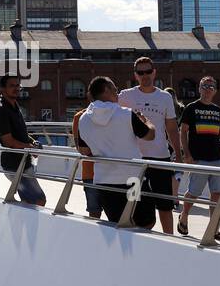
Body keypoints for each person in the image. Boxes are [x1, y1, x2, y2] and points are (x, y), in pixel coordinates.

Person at [76, 77, 156, 225]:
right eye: (115, 89)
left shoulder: (83, 119)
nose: (117, 93)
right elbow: (150, 136)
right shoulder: (127, 114)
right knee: (145, 222)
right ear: (106, 90)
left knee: (117, 223)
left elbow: (84, 150)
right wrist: (147, 121)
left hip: (104, 181)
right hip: (132, 179)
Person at [118, 57, 180, 234]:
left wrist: (180, 154)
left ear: (154, 72)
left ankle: (170, 241)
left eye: (147, 71)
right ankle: (133, 237)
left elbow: (172, 128)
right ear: (135, 75)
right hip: (134, 160)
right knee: (133, 200)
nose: (144, 75)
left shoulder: (165, 97)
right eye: (140, 72)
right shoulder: (125, 96)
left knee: (165, 204)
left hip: (161, 158)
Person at [177, 76, 220, 238]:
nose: (208, 89)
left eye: (211, 86)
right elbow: (183, 132)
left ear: (215, 91)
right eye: (204, 86)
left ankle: (214, 228)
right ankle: (184, 217)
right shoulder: (191, 108)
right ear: (199, 89)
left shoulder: (218, 111)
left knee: (217, 194)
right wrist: (187, 154)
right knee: (194, 192)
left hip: (217, 159)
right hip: (199, 158)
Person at [0, 75, 46, 205]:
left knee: (28, 201)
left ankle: (17, 222)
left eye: (18, 85)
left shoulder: (15, 105)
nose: (16, 88)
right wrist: (29, 147)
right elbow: (8, 141)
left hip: (24, 163)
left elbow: (21, 134)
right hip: (13, 166)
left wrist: (32, 142)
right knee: (39, 200)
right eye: (12, 86)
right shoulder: (1, 110)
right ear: (2, 89)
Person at [72, 104, 100, 218]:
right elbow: (81, 149)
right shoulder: (80, 117)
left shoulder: (119, 114)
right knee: (94, 211)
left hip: (115, 173)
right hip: (91, 172)